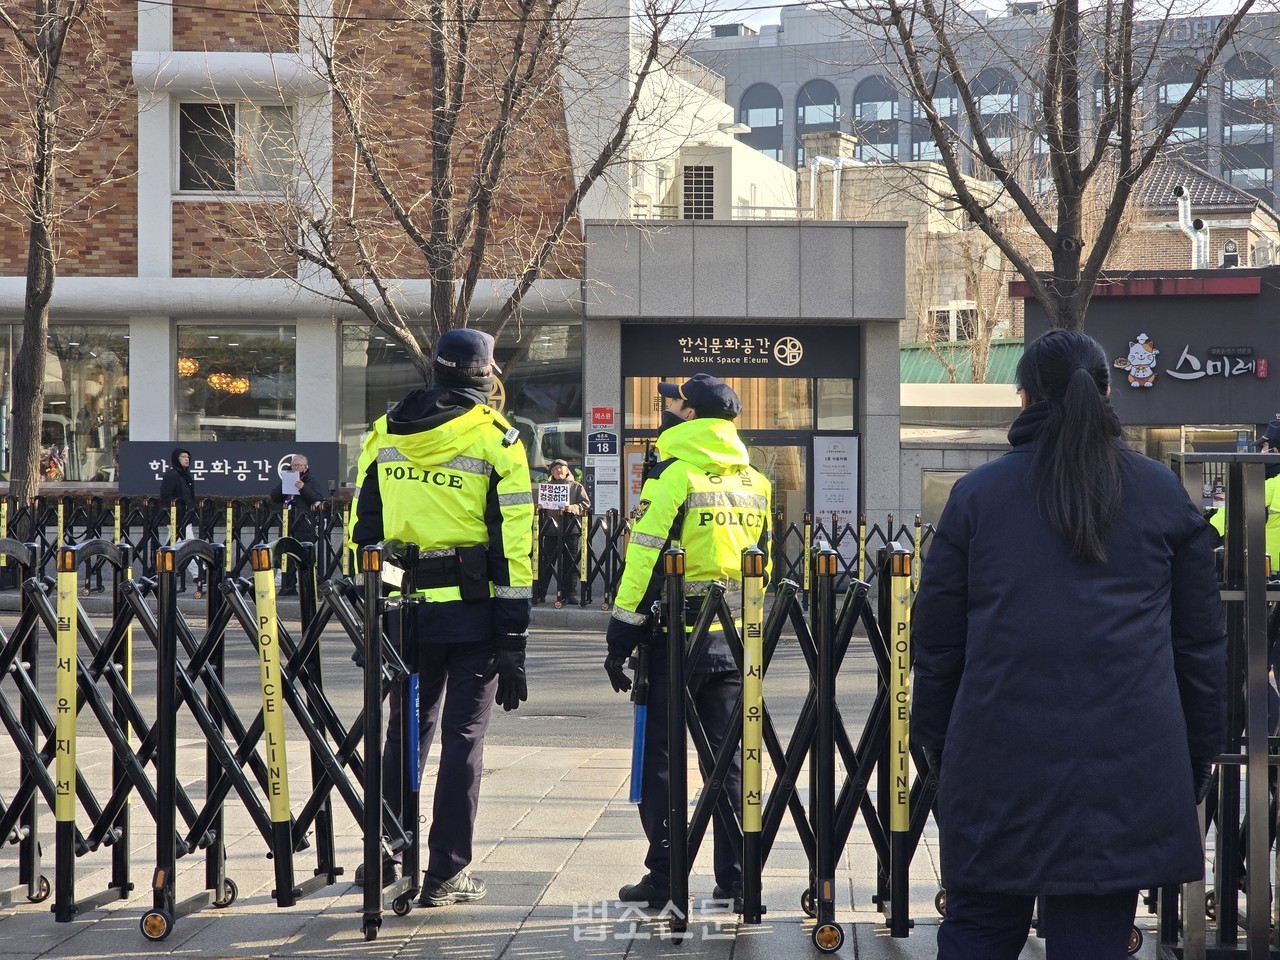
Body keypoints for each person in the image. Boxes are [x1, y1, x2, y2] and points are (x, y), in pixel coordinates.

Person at [911, 330, 1226, 960]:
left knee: (979, 922)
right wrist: (1197, 754)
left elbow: (937, 645)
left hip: (997, 752)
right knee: (1093, 933)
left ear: (1024, 397)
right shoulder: (1162, 493)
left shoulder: (976, 497)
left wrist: (938, 747)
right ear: (1107, 393)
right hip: (1126, 755)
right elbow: (1199, 645)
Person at [348, 327, 533, 906]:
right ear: (484, 373)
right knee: (463, 741)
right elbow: (515, 546)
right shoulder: (498, 440)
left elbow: (365, 532)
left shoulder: (384, 432)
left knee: (404, 732)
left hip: (404, 611)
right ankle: (446, 873)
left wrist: (372, 610)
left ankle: (384, 853)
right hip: (475, 616)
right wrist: (514, 636)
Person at [604, 373, 771, 908]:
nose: (667, 407)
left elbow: (644, 556)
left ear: (692, 416)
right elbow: (758, 569)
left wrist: (621, 633)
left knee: (662, 763)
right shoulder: (755, 483)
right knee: (729, 761)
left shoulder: (674, 477)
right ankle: (737, 873)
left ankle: (667, 874)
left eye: (673, 402)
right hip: (734, 644)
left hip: (674, 638)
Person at [1209, 417, 1280, 574]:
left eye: (1265, 447)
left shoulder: (1266, 485)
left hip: (1266, 575)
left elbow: (1227, 519)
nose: (1261, 453)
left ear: (1275, 450)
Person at [535, 458, 590, 605]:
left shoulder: (576, 487)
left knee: (570, 564)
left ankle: (570, 594)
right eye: (555, 469)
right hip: (550, 531)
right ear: (551, 472)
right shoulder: (547, 487)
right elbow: (537, 505)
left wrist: (571, 508)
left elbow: (585, 505)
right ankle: (541, 592)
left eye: (561, 468)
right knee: (546, 563)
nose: (558, 471)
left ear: (567, 470)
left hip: (570, 530)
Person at [271, 453, 326, 595]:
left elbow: (317, 499)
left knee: (305, 555)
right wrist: (285, 483)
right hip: (288, 521)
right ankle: (288, 586)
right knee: (287, 554)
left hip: (304, 523)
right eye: (294, 465)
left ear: (305, 467)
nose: (297, 468)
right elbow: (274, 497)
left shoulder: (311, 480)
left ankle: (308, 586)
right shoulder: (287, 477)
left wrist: (303, 488)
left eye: (299, 465)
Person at [159, 446, 200, 594]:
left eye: (188, 457)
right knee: (190, 544)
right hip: (176, 518)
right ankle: (198, 575)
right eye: (183, 457)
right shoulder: (171, 475)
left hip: (186, 517)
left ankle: (158, 569)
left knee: (175, 545)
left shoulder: (186, 475)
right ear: (176, 459)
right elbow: (166, 496)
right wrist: (173, 514)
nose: (186, 459)